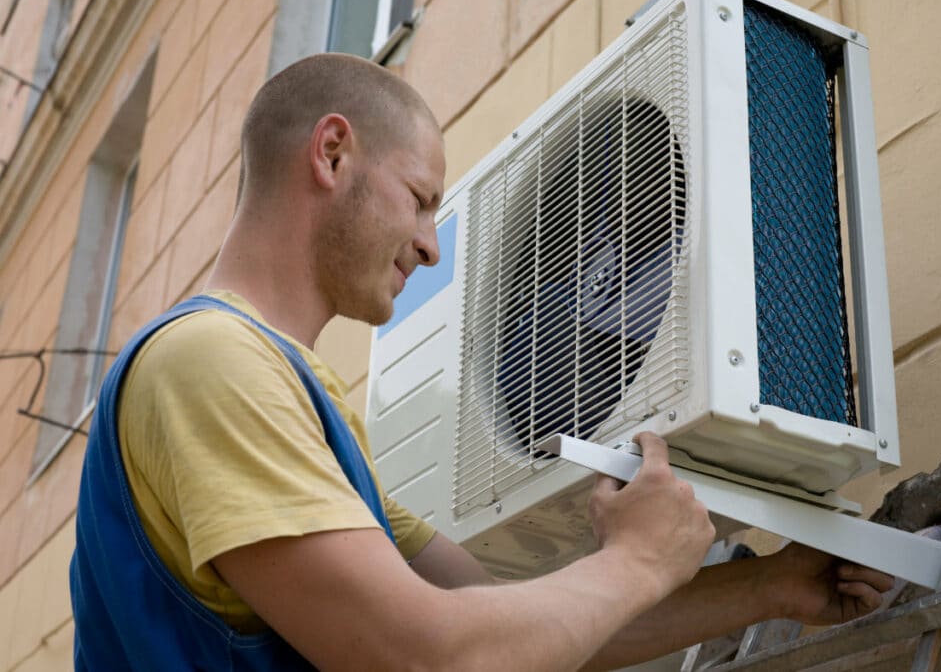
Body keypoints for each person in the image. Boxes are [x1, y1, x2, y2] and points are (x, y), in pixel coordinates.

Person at [70, 53, 893, 671]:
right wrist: (638, 560)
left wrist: (770, 586)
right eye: (420, 199)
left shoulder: (298, 399)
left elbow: (499, 625)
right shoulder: (211, 363)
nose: (432, 245)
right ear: (332, 153)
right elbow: (423, 653)